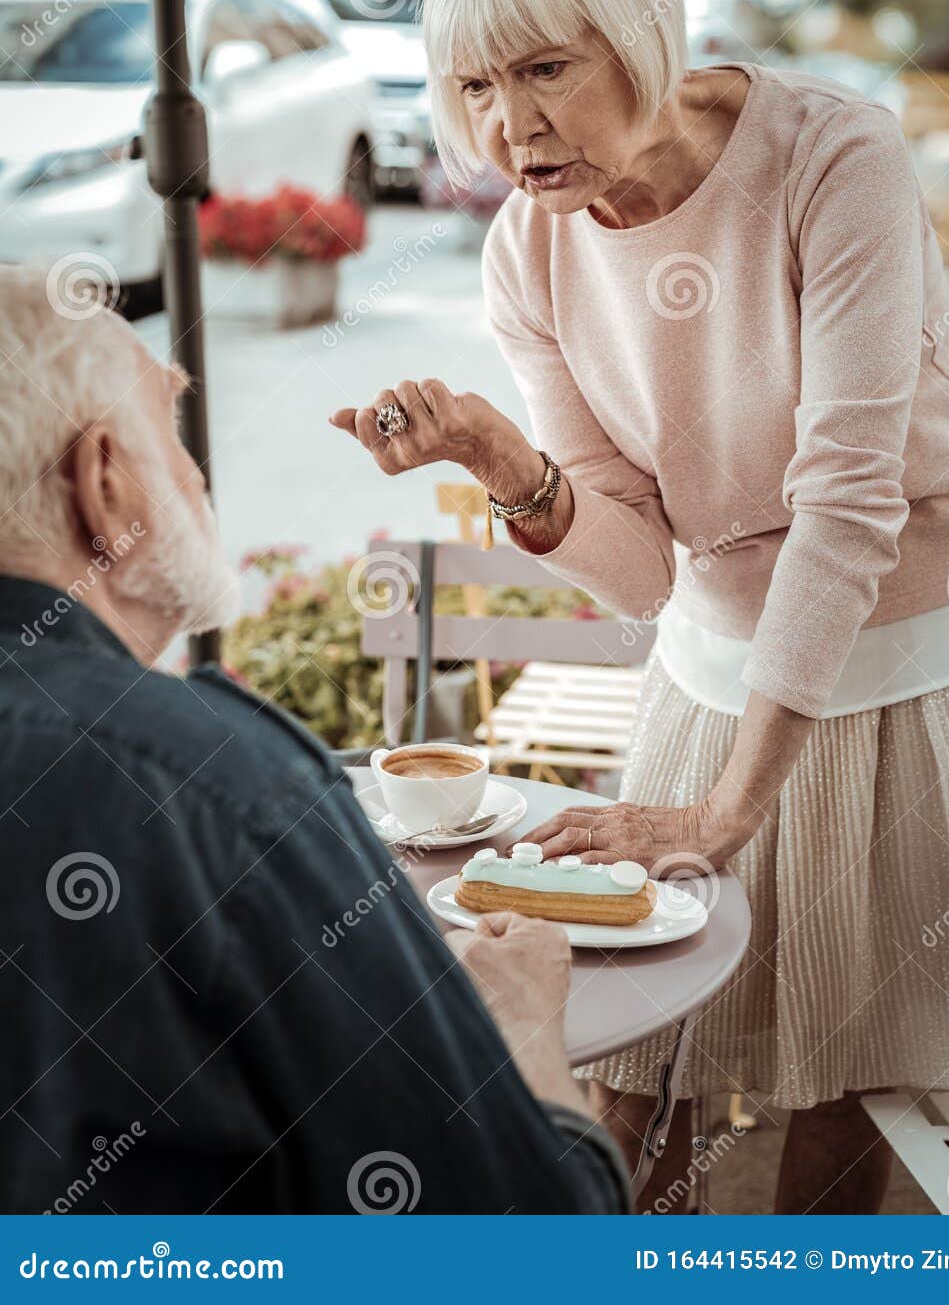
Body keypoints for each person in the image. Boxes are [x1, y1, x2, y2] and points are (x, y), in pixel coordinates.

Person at [330, 0, 949, 1215]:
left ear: (638, 32)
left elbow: (846, 499)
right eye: (477, 87)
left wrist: (730, 806)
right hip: (722, 641)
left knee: (843, 1073)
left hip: (919, 633)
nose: (510, 126)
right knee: (634, 1056)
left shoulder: (830, 157)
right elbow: (645, 570)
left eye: (544, 68)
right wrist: (504, 461)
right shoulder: (529, 250)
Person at [0, 265, 628, 1216]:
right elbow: (525, 1240)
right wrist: (526, 1034)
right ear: (104, 482)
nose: (198, 473)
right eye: (168, 431)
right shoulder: (211, 785)